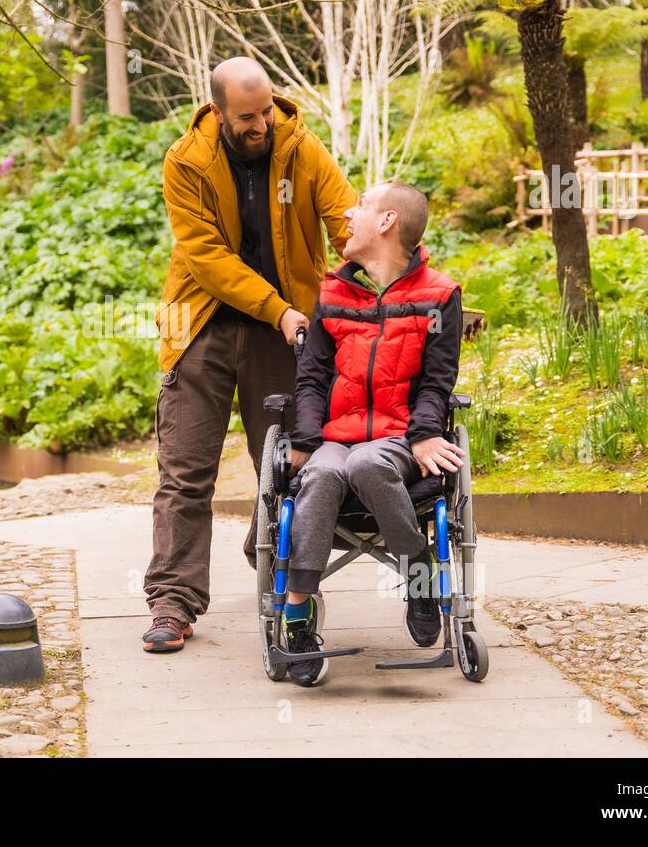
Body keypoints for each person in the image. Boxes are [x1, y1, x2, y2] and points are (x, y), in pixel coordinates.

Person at [143, 57, 359, 652]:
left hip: (284, 329)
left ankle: (274, 560)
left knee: (291, 465)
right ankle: (173, 602)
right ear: (218, 112)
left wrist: (398, 271)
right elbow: (206, 257)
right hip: (202, 325)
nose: (261, 124)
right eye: (247, 117)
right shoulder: (186, 162)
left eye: (266, 111)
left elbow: (347, 221)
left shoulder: (301, 148)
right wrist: (279, 309)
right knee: (185, 473)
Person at [281, 181, 466, 686]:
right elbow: (312, 378)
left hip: (397, 439)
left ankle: (419, 577)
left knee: (368, 463)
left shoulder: (439, 296)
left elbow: (437, 381)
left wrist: (425, 433)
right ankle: (297, 615)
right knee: (321, 475)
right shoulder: (331, 294)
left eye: (360, 205)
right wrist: (305, 441)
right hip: (334, 440)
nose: (347, 213)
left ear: (387, 221)